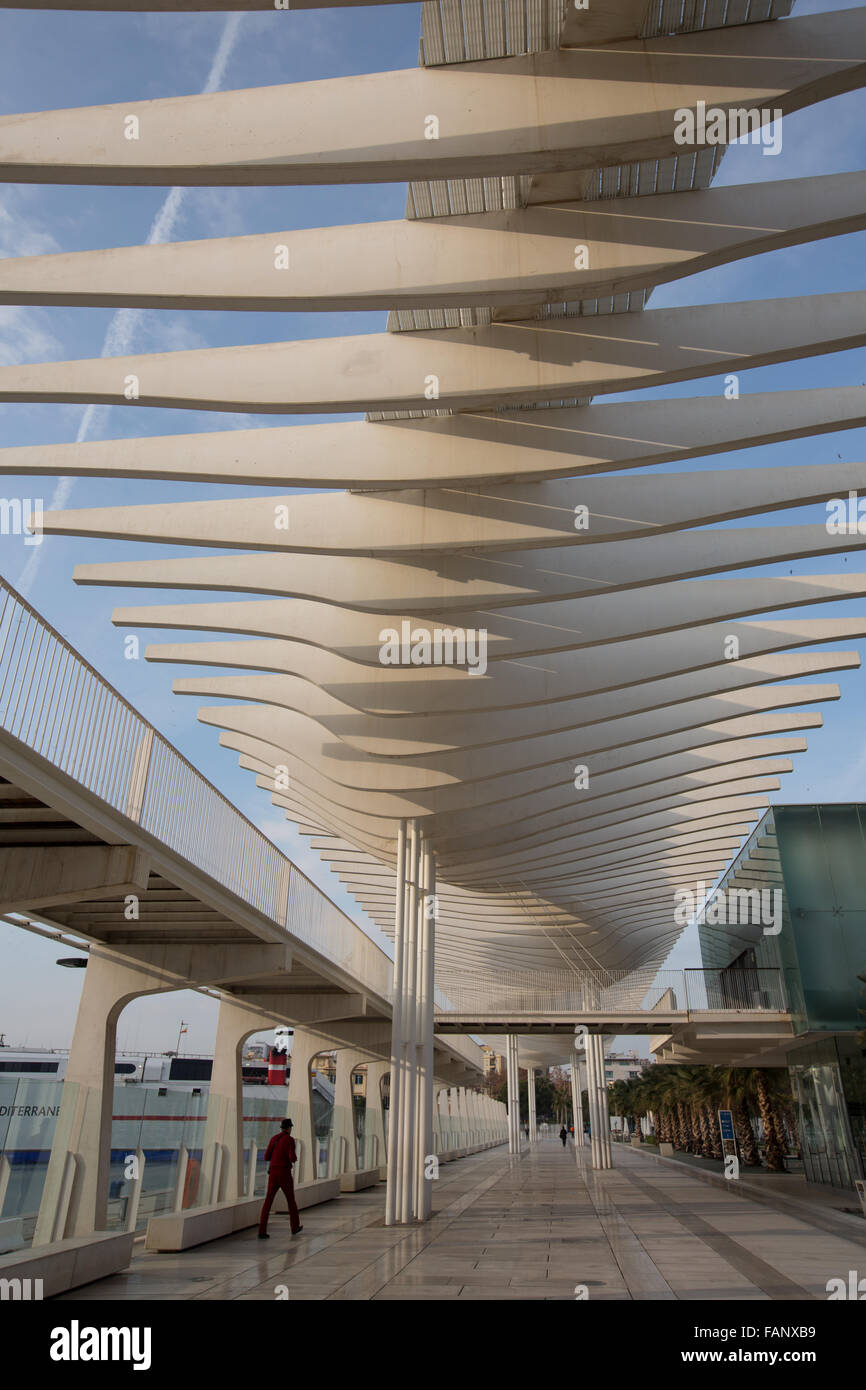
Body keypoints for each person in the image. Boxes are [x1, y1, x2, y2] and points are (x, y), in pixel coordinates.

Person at [258, 1117, 303, 1238]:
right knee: (290, 1201)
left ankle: (262, 1231)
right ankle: (295, 1227)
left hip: (273, 1173)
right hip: (284, 1173)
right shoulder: (289, 1140)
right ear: (289, 1128)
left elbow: (267, 1156)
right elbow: (292, 1158)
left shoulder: (274, 1139)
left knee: (268, 1201)